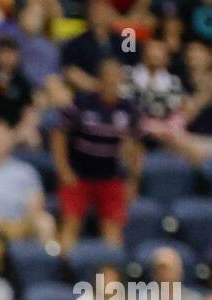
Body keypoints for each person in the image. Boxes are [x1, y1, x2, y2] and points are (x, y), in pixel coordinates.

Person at [52, 57, 144, 251]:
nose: (111, 82)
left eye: (115, 78)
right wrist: (63, 169)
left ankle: (111, 276)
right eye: (107, 78)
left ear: (121, 80)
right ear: (99, 79)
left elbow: (136, 146)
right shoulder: (82, 102)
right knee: (69, 225)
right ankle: (65, 272)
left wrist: (133, 181)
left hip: (111, 176)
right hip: (78, 175)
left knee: (113, 233)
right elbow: (59, 133)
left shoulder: (128, 109)